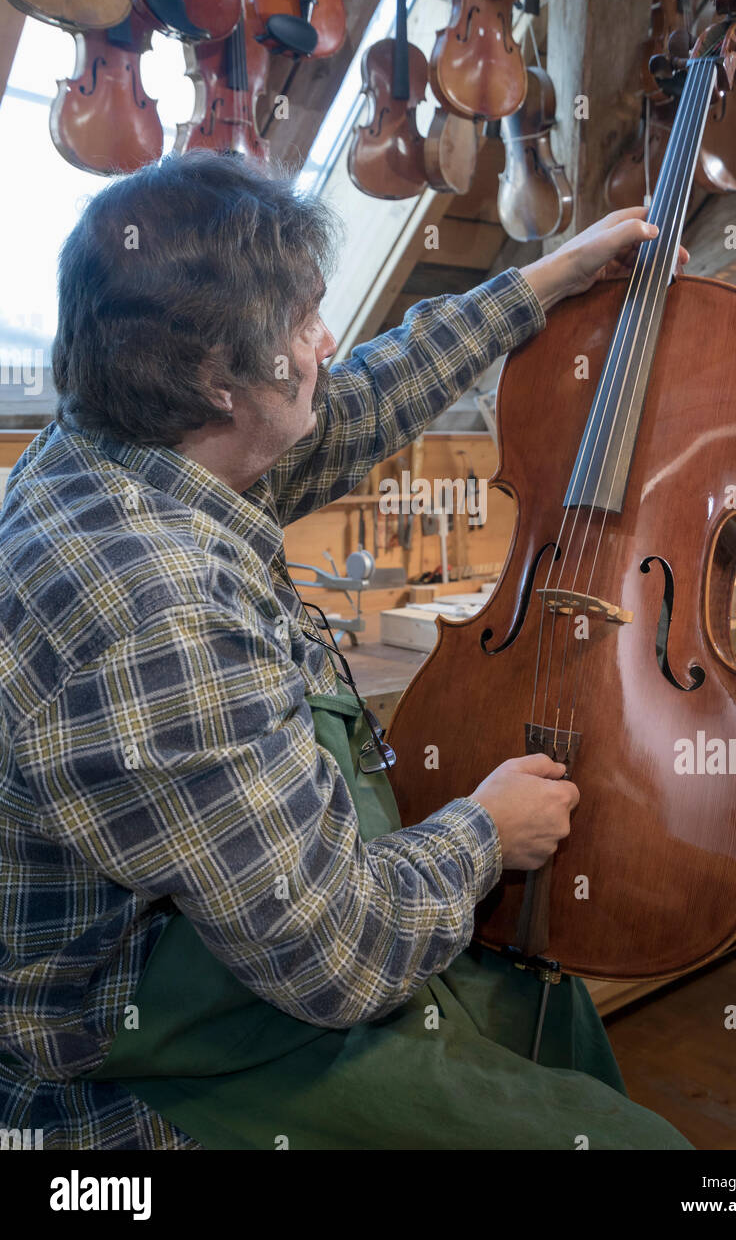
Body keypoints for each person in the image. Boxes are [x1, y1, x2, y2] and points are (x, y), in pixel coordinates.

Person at [0, 151, 692, 1150]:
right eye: (300, 323)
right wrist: (486, 831)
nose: (324, 342)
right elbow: (337, 956)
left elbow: (360, 396)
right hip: (137, 1053)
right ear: (218, 377)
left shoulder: (121, 444)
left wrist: (545, 277)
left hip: (226, 942)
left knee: (554, 1020)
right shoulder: (156, 609)